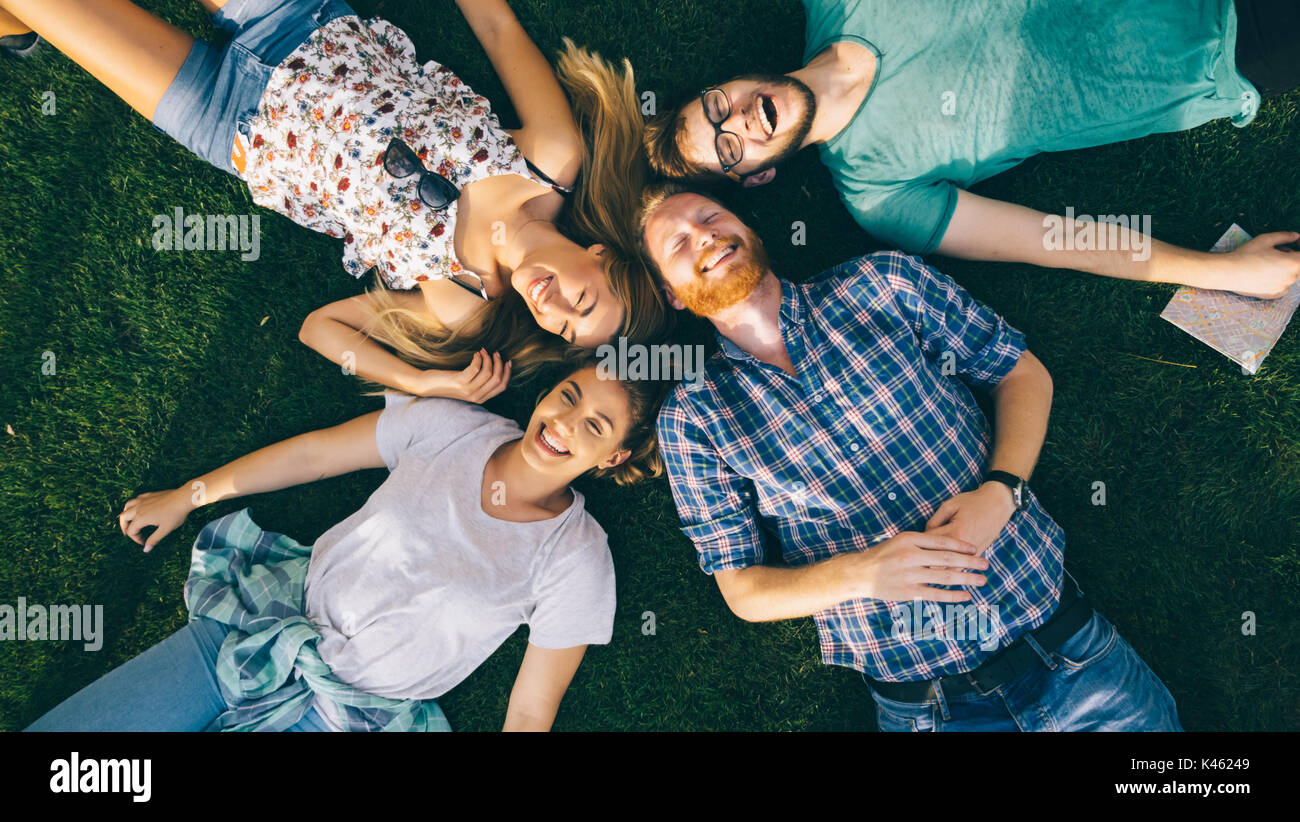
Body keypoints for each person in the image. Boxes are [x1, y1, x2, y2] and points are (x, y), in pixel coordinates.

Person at [640, 183, 1183, 731]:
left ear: (748, 231)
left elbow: (1019, 372)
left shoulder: (881, 284)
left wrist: (1001, 491)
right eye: (678, 244)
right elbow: (743, 590)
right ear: (673, 295)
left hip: (1069, 656)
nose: (704, 234)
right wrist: (864, 575)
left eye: (711, 215)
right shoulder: (693, 417)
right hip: (931, 711)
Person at [0, 0, 668, 401]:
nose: (552, 309)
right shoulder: (551, 159)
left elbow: (320, 329)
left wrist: (425, 382)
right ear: (599, 252)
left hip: (231, 120)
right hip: (296, 16)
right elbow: (495, 27)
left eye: (566, 329)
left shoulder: (461, 304)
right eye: (583, 300)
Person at [25, 362, 668, 732]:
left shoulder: (577, 558)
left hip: (342, 720)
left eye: (593, 426)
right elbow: (317, 453)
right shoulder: (451, 427)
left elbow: (531, 707)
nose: (562, 423)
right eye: (568, 396)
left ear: (611, 457)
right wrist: (189, 496)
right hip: (260, 630)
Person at [642, 0, 1300, 300]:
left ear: (725, 83)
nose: (741, 125)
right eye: (729, 151)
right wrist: (1225, 274)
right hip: (1229, 46)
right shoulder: (879, 191)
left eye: (716, 107)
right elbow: (1056, 240)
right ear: (758, 177)